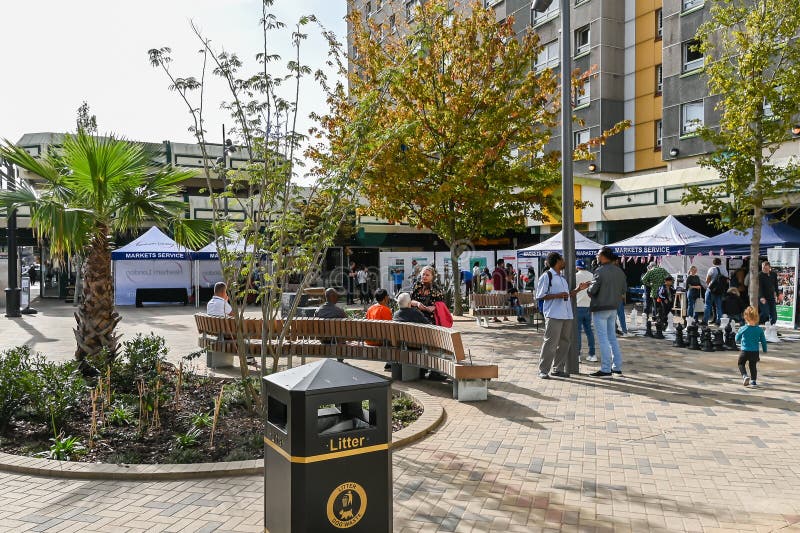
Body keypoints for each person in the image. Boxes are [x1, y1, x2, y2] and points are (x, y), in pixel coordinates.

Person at [535, 252, 591, 379]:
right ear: (557, 261)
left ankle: (558, 369)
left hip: (566, 314)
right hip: (553, 314)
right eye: (563, 259)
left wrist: (578, 289)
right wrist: (557, 295)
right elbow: (539, 295)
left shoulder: (562, 278)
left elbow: (567, 295)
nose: (565, 262)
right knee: (550, 343)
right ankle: (543, 370)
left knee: (565, 342)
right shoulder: (546, 276)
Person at [587, 247, 628, 377]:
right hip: (613, 308)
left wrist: (588, 287)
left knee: (603, 339)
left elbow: (592, 291)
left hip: (600, 308)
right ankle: (617, 367)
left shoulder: (599, 271)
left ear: (604, 256)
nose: (596, 256)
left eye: (598, 254)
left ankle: (605, 368)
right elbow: (623, 290)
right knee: (612, 338)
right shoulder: (619, 271)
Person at [736, 306, 767, 387]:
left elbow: (736, 338)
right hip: (755, 352)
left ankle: (745, 376)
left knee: (740, 363)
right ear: (757, 318)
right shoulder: (759, 329)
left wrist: (739, 334)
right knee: (753, 366)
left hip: (745, 351)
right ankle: (753, 381)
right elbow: (763, 341)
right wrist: (764, 349)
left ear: (745, 317)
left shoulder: (743, 328)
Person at [574, 259, 596, 362]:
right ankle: (592, 354)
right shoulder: (591, 275)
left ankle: (577, 355)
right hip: (588, 305)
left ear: (577, 267)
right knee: (589, 331)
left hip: (578, 306)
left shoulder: (575, 276)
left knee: (577, 331)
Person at [704, 257, 729, 325]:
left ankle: (705, 321)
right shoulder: (724, 270)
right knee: (719, 306)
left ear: (713, 263)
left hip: (711, 290)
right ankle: (719, 322)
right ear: (720, 262)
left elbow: (707, 280)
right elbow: (727, 280)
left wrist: (710, 285)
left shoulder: (712, 269)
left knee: (707, 305)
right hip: (720, 290)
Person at [758, 260, 778, 325]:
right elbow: (759, 287)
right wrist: (761, 297)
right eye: (763, 268)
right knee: (765, 312)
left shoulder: (773, 274)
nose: (764, 269)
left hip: (771, 297)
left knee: (774, 315)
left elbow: (775, 285)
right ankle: (754, 321)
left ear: (769, 268)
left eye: (766, 268)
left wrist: (777, 294)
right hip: (763, 297)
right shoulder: (760, 275)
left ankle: (772, 328)